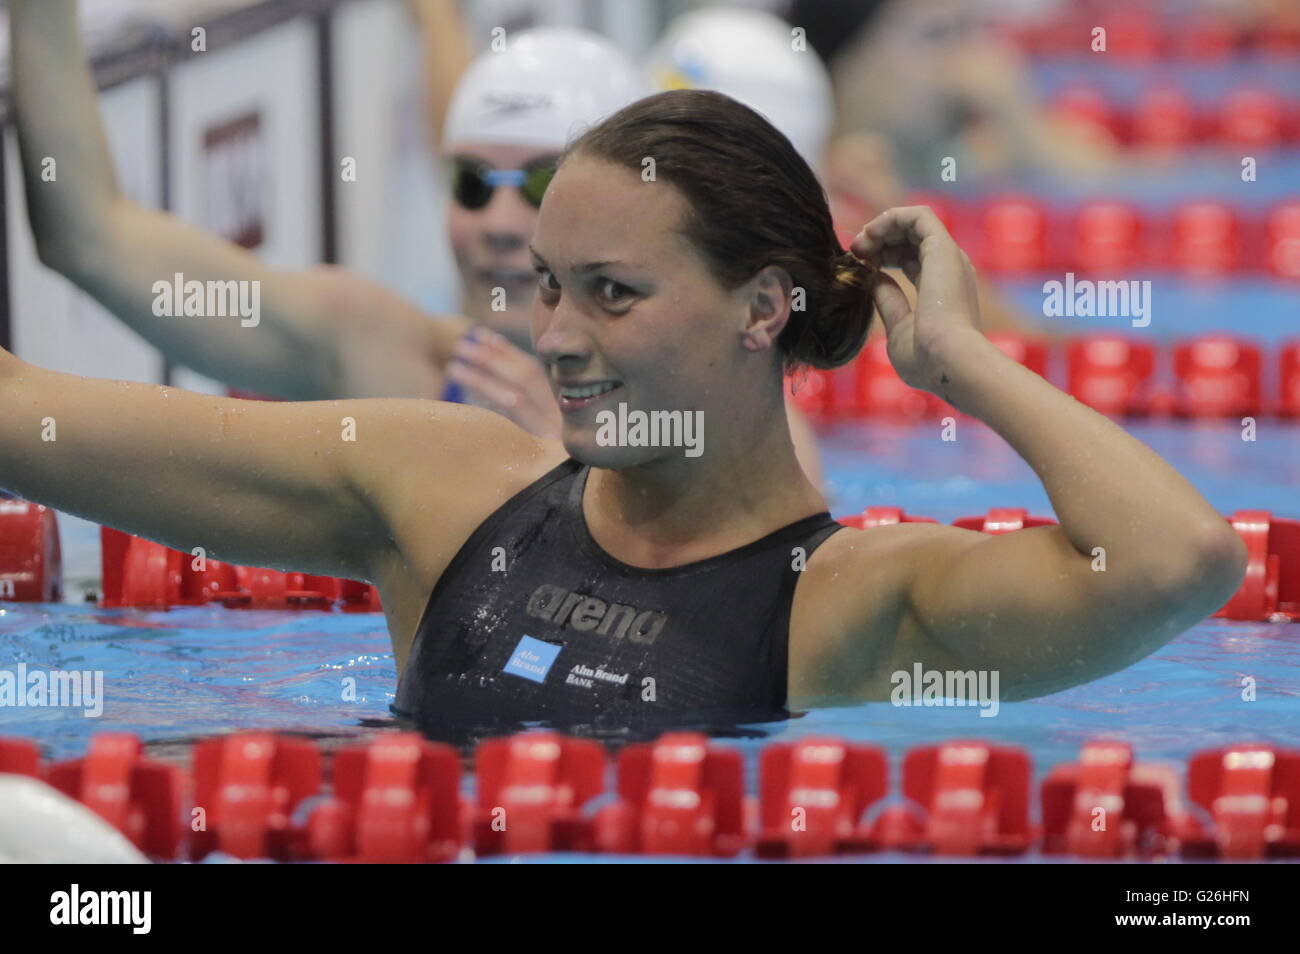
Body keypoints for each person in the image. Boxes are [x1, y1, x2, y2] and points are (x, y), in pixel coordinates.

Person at [0, 89, 1247, 735]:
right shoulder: (444, 489)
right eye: (549, 288)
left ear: (763, 307)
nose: (553, 337)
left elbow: (1178, 564)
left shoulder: (853, 604)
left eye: (612, 295)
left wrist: (960, 362)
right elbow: (23, 414)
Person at [9, 0, 825, 484]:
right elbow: (91, 241)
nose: (502, 226)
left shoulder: (740, 423)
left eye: (541, 186)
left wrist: (586, 461)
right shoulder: (380, 353)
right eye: (471, 183)